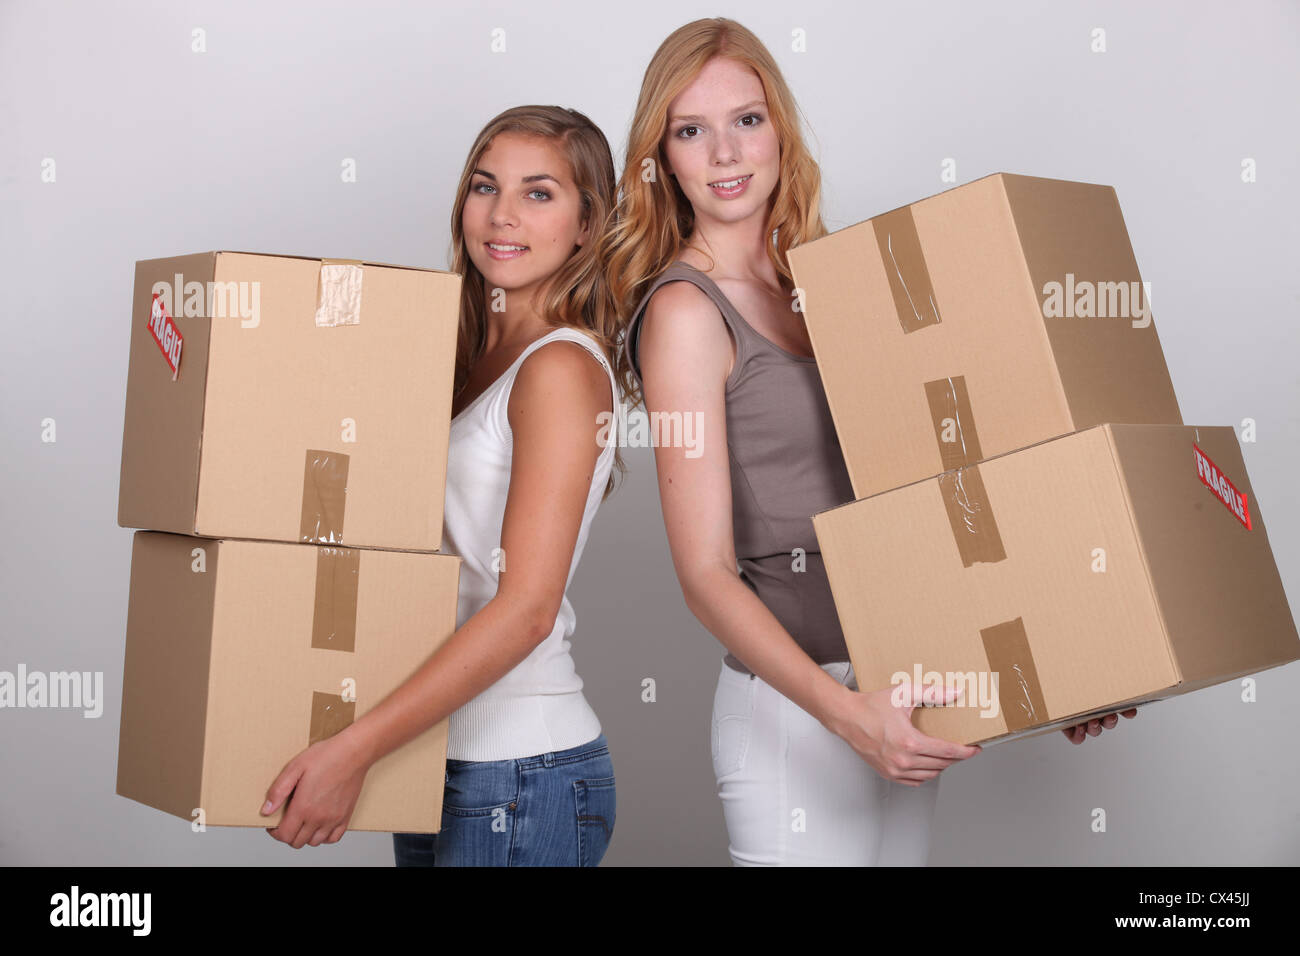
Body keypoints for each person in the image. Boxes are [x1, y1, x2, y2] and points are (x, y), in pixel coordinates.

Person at [603, 18, 1134, 866]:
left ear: (780, 128)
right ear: (662, 156)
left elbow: (939, 493)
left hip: (902, 691)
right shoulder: (684, 313)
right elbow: (703, 574)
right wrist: (846, 716)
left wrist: (1064, 665)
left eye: (746, 119)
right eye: (690, 131)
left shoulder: (825, 282)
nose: (725, 154)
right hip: (799, 719)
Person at [261, 105, 633, 866]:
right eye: (483, 186)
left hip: (522, 775)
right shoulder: (463, 359)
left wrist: (352, 748)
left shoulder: (559, 369)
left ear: (588, 224)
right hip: (438, 758)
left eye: (539, 193)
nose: (502, 215)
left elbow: (526, 609)